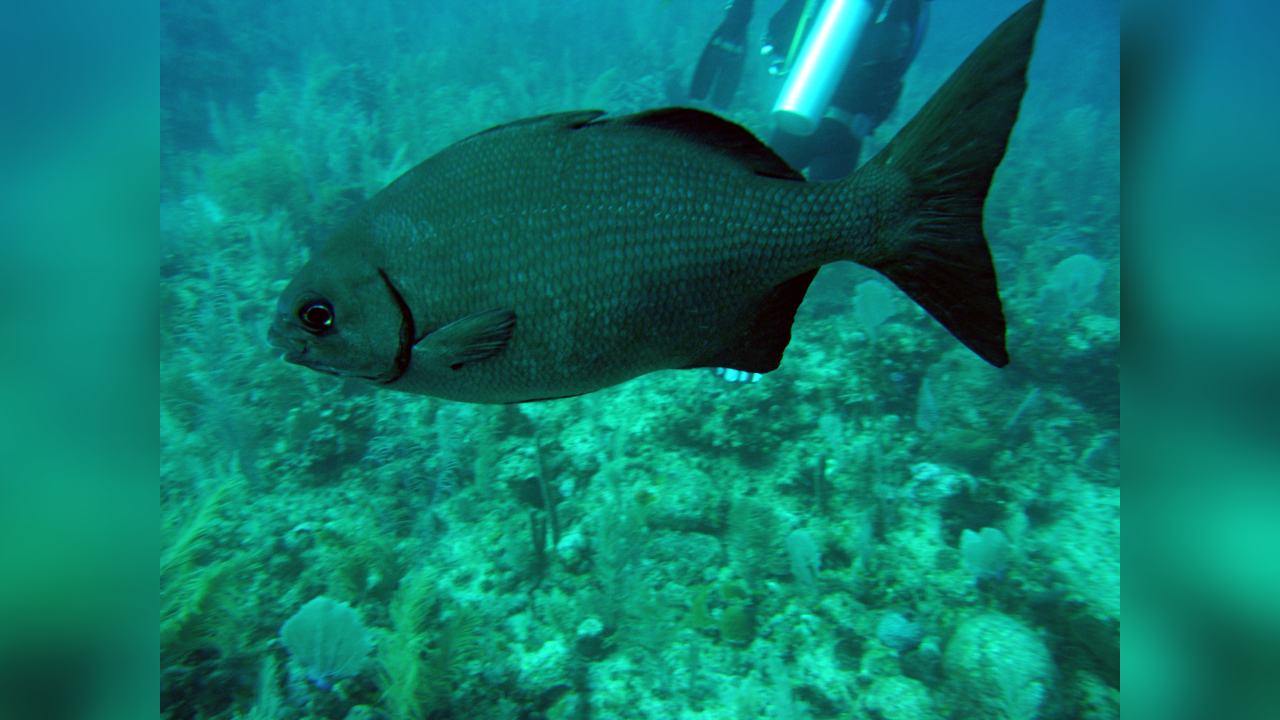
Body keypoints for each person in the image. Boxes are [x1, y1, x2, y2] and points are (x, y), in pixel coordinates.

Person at [691, 0, 931, 181]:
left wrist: (738, 16)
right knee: (818, 234)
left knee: (756, 211)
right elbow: (905, 45)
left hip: (798, 104)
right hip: (846, 124)